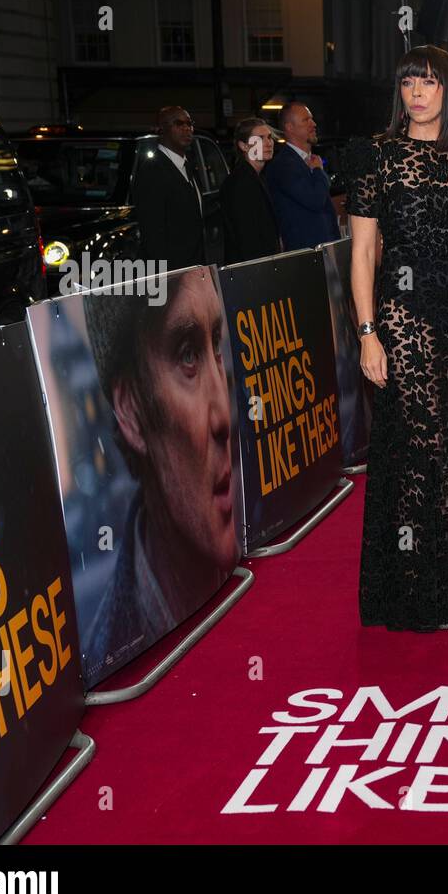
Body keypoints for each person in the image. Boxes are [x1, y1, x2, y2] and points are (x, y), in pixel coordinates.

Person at [347, 45, 448, 630]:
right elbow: (364, 252)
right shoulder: (376, 155)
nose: (417, 92)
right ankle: (415, 590)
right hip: (404, 313)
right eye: (408, 81)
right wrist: (369, 333)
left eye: (429, 82)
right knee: (421, 443)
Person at [80, 266, 239, 671]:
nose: (224, 415)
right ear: (131, 410)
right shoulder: (108, 655)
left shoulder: (255, 528)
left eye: (215, 347)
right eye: (187, 356)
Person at [132, 105, 206, 271]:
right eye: (179, 123)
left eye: (189, 123)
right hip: (171, 274)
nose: (187, 128)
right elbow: (153, 234)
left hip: (194, 268)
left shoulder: (189, 166)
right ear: (162, 129)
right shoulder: (152, 170)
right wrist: (170, 281)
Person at [264, 102, 341, 250]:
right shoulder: (283, 165)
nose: (314, 124)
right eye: (306, 120)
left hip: (325, 250)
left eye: (311, 119)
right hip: (306, 255)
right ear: (289, 127)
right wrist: (318, 171)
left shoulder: (309, 160)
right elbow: (315, 199)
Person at [220, 117, 282, 264]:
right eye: (260, 138)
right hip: (251, 271)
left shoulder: (257, 177)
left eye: (269, 137)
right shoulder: (240, 182)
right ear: (244, 146)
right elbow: (247, 238)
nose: (268, 143)